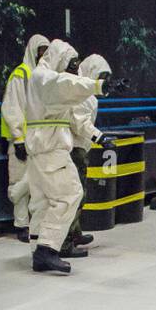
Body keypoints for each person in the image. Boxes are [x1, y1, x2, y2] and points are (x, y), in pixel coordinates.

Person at [23, 39, 109, 274]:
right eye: (71, 64)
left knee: (43, 201)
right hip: (51, 147)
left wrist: (97, 136)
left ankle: (38, 250)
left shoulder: (45, 84)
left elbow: (75, 118)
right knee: (70, 194)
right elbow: (65, 84)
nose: (74, 69)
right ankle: (48, 249)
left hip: (41, 147)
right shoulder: (45, 79)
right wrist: (97, 86)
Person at [63, 53, 118, 256]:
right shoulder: (80, 95)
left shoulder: (87, 96)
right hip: (73, 149)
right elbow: (80, 124)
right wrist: (100, 138)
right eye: (101, 76)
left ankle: (74, 232)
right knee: (74, 195)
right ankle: (65, 240)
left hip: (79, 149)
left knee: (79, 194)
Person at [0, 34, 50, 242]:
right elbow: (12, 108)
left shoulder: (43, 76)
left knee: (36, 182)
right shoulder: (22, 75)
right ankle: (21, 224)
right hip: (21, 139)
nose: (42, 55)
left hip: (39, 140)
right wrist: (18, 138)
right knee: (20, 180)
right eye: (40, 50)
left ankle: (35, 223)